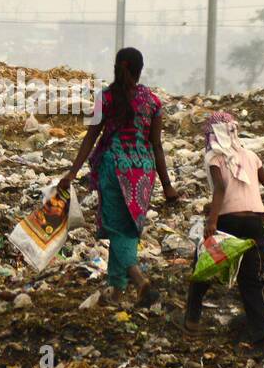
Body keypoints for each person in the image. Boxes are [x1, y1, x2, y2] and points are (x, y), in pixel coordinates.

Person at [57, 48, 178, 303]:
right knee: (129, 228)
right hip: (144, 171)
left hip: (114, 167)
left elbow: (91, 137)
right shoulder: (153, 102)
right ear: (139, 69)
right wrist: (167, 186)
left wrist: (72, 172)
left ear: (117, 66)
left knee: (116, 229)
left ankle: (138, 280)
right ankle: (118, 291)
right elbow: (156, 145)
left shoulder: (106, 98)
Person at [183, 111, 264, 354]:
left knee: (204, 267)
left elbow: (220, 187)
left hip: (228, 222)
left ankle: (192, 320)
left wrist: (212, 221)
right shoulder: (251, 156)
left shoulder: (214, 157)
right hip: (255, 222)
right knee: (253, 282)